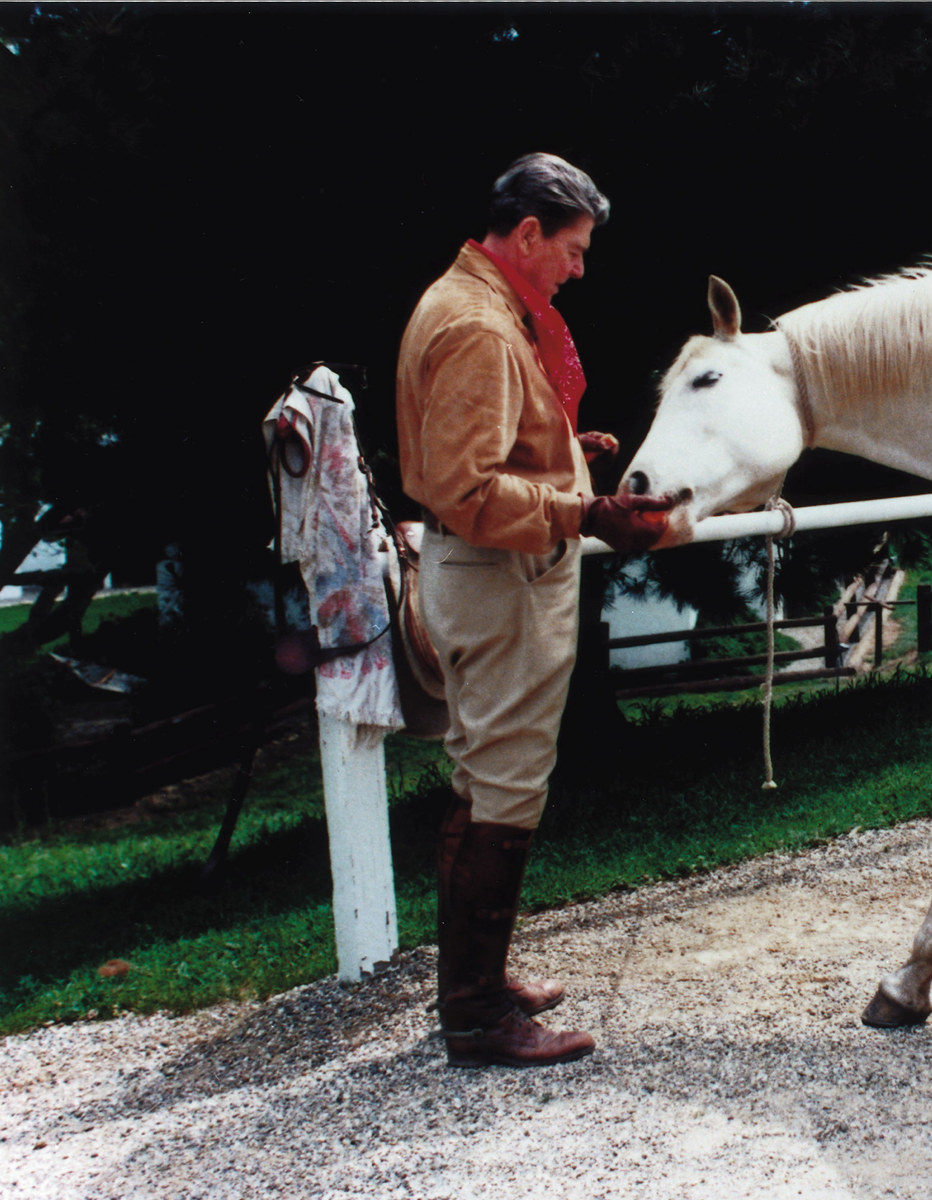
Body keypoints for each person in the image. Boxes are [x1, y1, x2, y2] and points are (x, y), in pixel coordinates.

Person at [396, 152, 671, 1068]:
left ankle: (477, 984)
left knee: (482, 781)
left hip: (485, 571)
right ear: (526, 234)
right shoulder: (479, 325)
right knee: (506, 787)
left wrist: (562, 450)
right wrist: (584, 511)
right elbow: (465, 488)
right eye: (572, 249)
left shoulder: (468, 301)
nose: (579, 269)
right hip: (498, 575)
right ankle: (476, 1016)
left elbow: (477, 450)